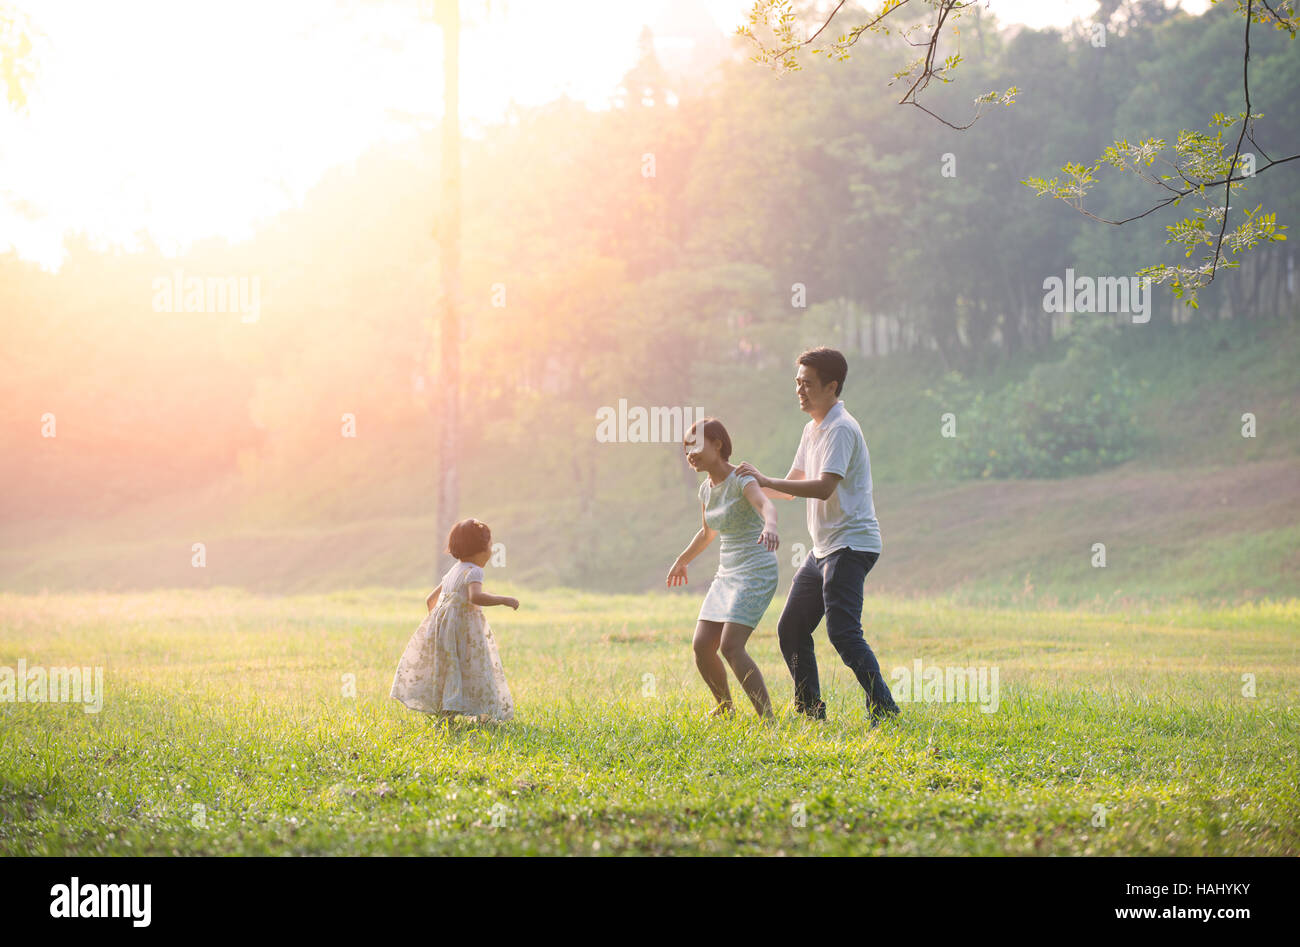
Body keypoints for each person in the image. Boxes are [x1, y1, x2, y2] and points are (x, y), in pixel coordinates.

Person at [735, 347, 899, 726]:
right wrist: (748, 489)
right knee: (791, 627)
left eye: (808, 384)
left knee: (843, 632)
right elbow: (791, 488)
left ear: (832, 386)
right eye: (797, 383)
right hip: (824, 548)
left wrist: (764, 479)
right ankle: (810, 710)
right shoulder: (812, 429)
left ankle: (885, 709)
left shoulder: (841, 428)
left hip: (851, 545)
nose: (800, 391)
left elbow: (824, 487)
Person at [667, 417, 779, 718]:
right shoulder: (706, 489)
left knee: (731, 646)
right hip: (727, 572)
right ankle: (725, 707)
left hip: (756, 568)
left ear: (717, 444)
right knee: (702, 645)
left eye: (696, 445)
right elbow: (707, 533)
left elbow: (766, 505)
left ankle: (767, 719)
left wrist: (770, 526)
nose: (690, 452)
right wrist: (682, 560)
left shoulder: (742, 478)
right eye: (686, 448)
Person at [390, 518, 519, 722]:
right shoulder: (475, 571)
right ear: (480, 548)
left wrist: (438, 624)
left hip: (446, 630)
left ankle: (446, 713)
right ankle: (481, 712)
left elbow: (430, 600)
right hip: (466, 633)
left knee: (450, 666)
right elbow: (475, 596)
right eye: (490, 545)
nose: (492, 550)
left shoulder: (454, 570)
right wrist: (505, 599)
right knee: (474, 667)